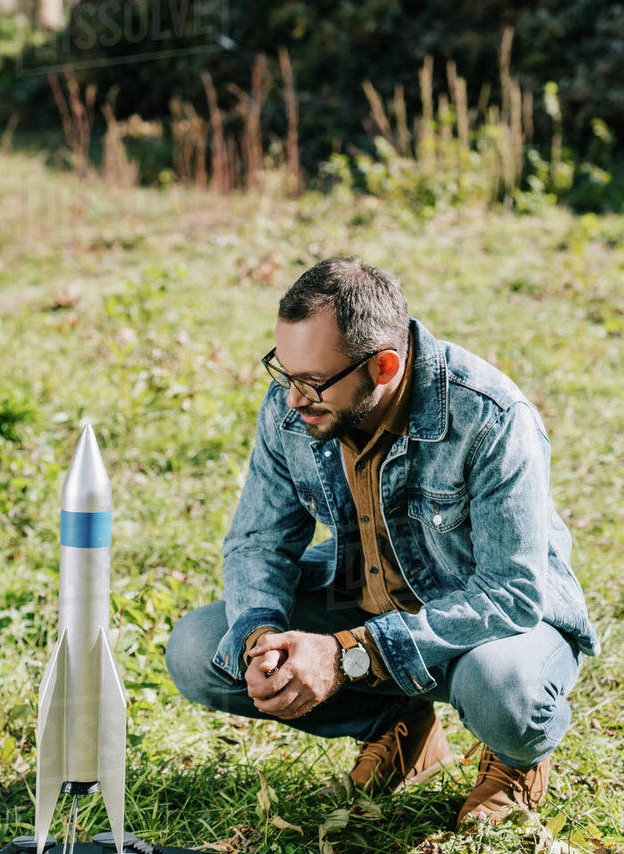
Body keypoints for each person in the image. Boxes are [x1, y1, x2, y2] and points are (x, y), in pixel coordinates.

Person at [166, 258, 599, 823]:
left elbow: (510, 596)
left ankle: (515, 758)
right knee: (201, 648)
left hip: (487, 630)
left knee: (505, 690)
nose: (293, 400)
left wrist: (345, 655)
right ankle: (400, 727)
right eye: (284, 372)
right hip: (366, 607)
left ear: (385, 366)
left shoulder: (492, 417)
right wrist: (263, 635)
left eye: (313, 382)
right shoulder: (294, 409)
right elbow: (257, 542)